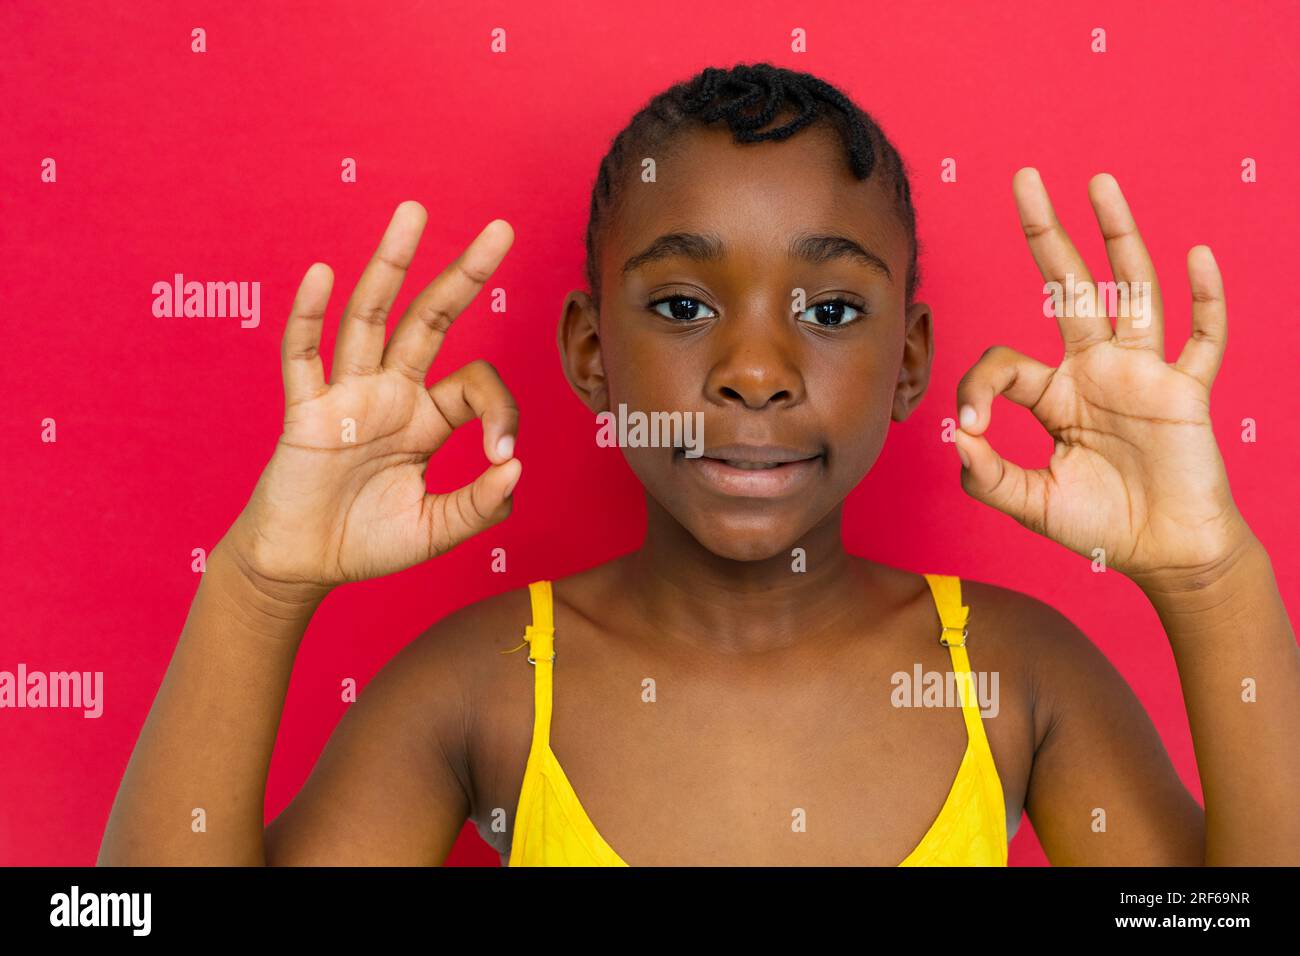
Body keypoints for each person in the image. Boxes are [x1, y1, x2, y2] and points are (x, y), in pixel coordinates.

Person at [99, 63, 1299, 866]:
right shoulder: (482, 688)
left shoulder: (1013, 674)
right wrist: (257, 583)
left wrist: (1211, 578)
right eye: (680, 302)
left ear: (908, 360)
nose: (755, 370)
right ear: (589, 352)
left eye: (830, 312)